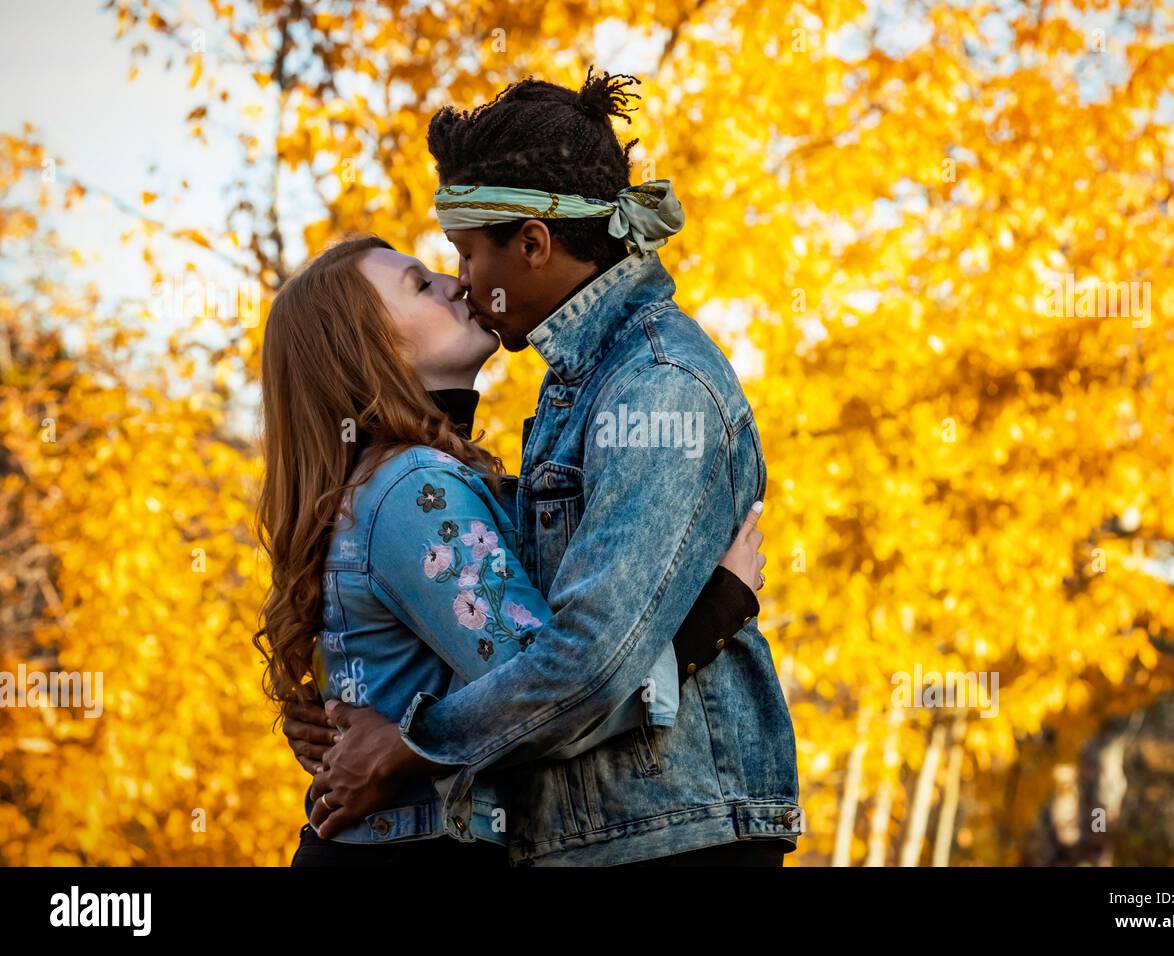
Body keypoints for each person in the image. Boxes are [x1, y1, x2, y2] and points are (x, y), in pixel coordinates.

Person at [302, 69, 802, 867]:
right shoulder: (572, 387)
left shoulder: (656, 383)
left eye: (464, 255)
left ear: (533, 244)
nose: (462, 281)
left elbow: (588, 663)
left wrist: (410, 745)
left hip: (672, 839)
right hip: (612, 834)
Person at [257, 234, 765, 866]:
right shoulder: (417, 489)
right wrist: (714, 613)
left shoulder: (390, 483)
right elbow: (551, 686)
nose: (454, 282)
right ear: (368, 353)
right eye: (420, 284)